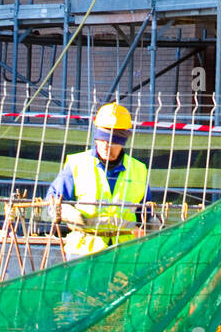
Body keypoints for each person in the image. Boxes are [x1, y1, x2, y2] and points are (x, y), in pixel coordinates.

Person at [45, 102, 153, 258]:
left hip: (124, 253)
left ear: (123, 141)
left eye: (113, 142)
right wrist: (63, 211)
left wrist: (152, 223)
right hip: (83, 252)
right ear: (96, 138)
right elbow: (52, 201)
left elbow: (145, 213)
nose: (107, 146)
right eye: (103, 140)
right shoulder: (77, 164)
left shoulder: (138, 170)